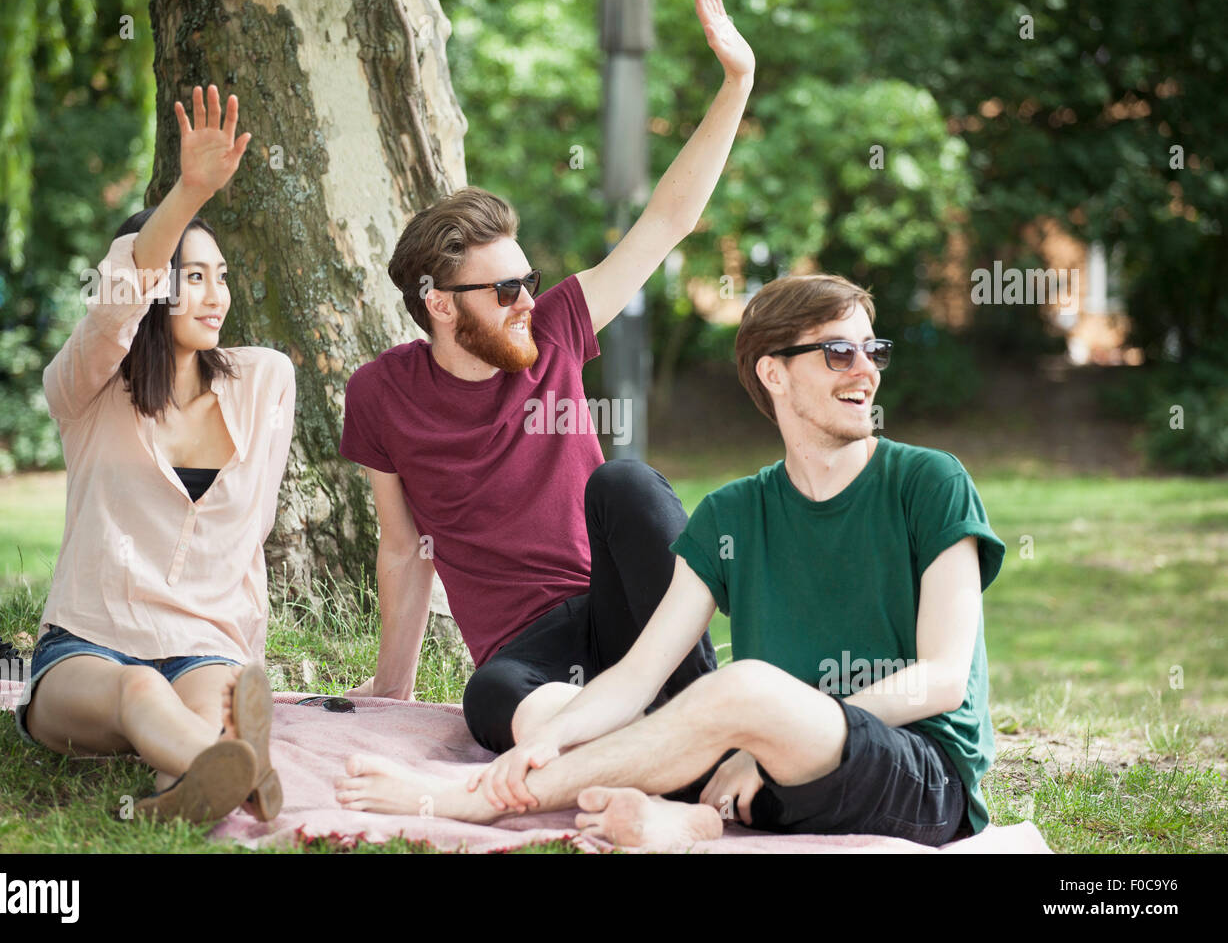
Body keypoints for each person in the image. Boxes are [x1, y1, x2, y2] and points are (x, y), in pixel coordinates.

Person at [335, 273, 1005, 851]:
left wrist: (764, 736)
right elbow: (638, 674)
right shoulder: (733, 513)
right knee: (651, 711)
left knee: (742, 688)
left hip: (921, 774)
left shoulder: (929, 482)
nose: (867, 370)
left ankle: (469, 802)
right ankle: (689, 820)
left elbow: (943, 680)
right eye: (839, 352)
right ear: (774, 372)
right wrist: (551, 740)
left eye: (872, 350)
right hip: (763, 780)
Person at [337, 0, 754, 757]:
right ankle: (636, 741)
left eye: (527, 279)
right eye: (503, 290)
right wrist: (391, 687)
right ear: (437, 305)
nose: (526, 300)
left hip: (622, 615)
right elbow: (403, 549)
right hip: (528, 657)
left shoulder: (557, 325)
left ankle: (708, 714)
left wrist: (736, 85)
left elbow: (669, 219)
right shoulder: (380, 394)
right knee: (488, 695)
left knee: (625, 484)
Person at [18, 85, 296, 826]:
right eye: (193, 277)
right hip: (89, 645)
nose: (217, 294)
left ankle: (206, 771)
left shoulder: (263, 381)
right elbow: (114, 308)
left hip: (203, 644)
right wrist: (190, 191)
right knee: (140, 694)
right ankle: (230, 767)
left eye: (223, 276)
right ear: (156, 289)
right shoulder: (83, 393)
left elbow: (251, 541)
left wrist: (244, 648)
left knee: (207, 710)